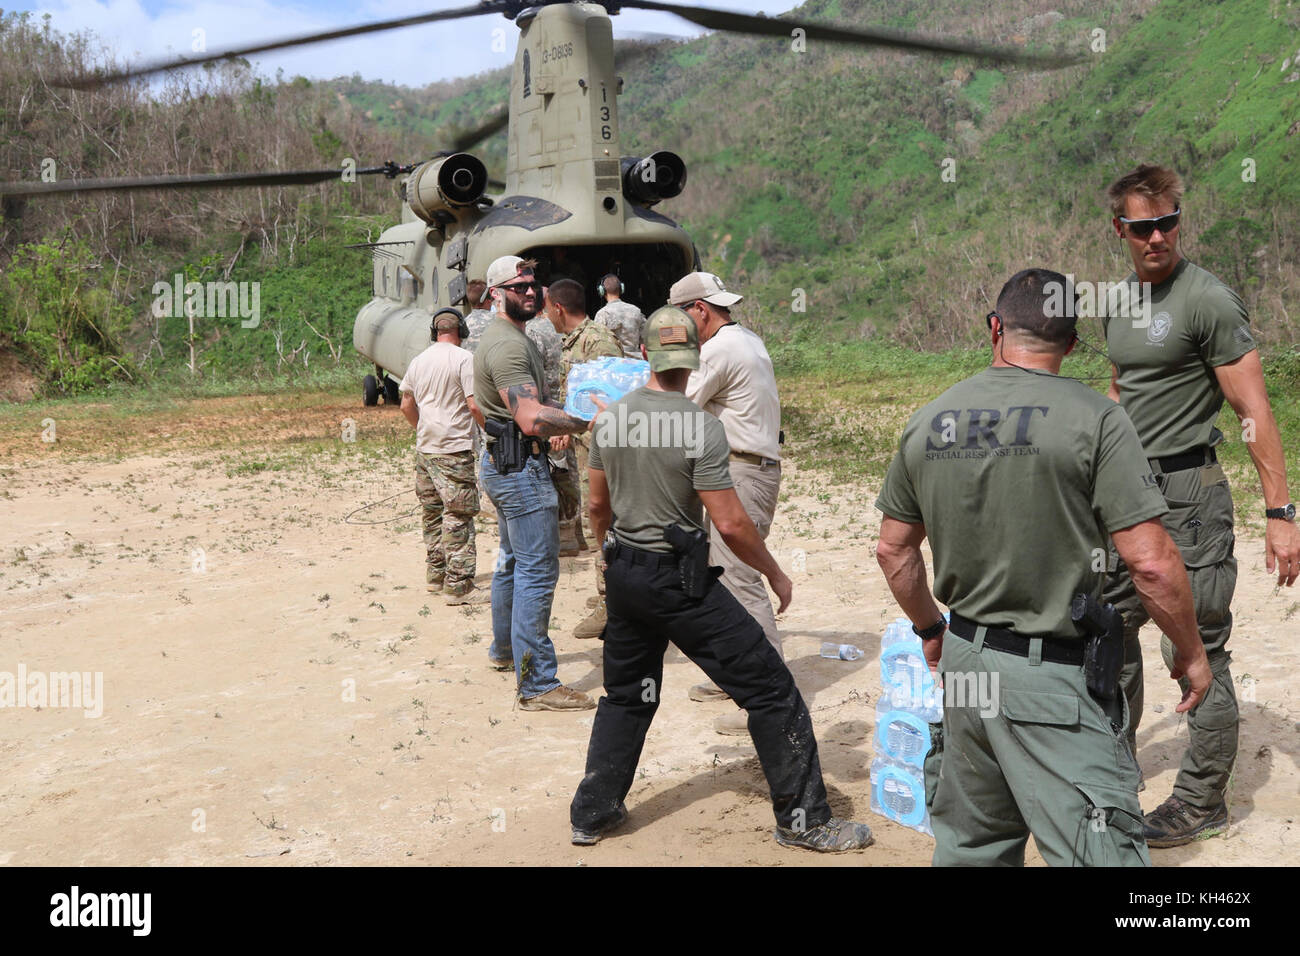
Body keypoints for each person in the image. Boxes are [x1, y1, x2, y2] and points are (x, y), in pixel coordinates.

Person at [874, 268, 1212, 866]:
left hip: (966, 662)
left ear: (995, 329)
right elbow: (1151, 564)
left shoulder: (930, 418)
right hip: (1052, 677)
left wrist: (932, 630)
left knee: (973, 848)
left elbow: (894, 549)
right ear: (1073, 344)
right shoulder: (1098, 418)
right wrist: (1190, 653)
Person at [569, 306, 874, 853]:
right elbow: (730, 523)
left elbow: (596, 504)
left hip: (626, 575)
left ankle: (593, 812)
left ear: (645, 356)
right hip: (678, 581)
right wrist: (776, 574)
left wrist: (607, 555)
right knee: (773, 692)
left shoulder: (611, 419)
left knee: (626, 696)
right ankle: (803, 822)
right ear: (691, 360)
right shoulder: (700, 427)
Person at [1100, 164, 1299, 847]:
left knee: (1196, 645)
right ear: (1119, 229)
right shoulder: (1119, 301)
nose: (1157, 236)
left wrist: (1281, 514)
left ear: (1179, 220)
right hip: (1124, 492)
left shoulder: (1208, 300)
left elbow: (1254, 408)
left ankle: (1201, 801)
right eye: (1142, 226)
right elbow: (1124, 392)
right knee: (1111, 633)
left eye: (1168, 222)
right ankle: (1113, 778)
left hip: (1189, 494)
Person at [474, 255, 597, 712]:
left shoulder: (510, 337)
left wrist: (560, 414)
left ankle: (506, 651)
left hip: (505, 464)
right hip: (520, 470)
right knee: (537, 573)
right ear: (495, 294)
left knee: (511, 564)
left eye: (531, 284)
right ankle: (538, 683)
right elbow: (528, 418)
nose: (528, 291)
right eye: (517, 286)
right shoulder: (507, 345)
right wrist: (585, 419)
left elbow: (520, 409)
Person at [668, 271, 783, 736]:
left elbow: (675, 403)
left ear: (699, 310)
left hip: (741, 472)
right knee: (721, 575)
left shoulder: (717, 350)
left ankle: (768, 695)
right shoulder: (745, 339)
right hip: (746, 467)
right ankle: (736, 673)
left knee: (739, 577)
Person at [544, 278, 624, 638]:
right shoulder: (575, 342)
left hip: (603, 450)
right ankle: (612, 594)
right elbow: (580, 397)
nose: (545, 314)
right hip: (587, 446)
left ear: (558, 308)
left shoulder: (598, 341)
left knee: (604, 524)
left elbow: (615, 397)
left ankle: (613, 604)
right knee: (597, 524)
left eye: (547, 307)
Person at [399, 308, 487, 605]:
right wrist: (493, 433)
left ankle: (436, 576)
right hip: (455, 448)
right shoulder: (465, 360)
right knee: (459, 516)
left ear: (433, 331)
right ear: (462, 330)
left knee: (432, 512)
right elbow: (474, 406)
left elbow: (406, 404)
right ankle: (459, 584)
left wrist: (423, 428)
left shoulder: (419, 360)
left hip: (426, 449)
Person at [593, 273, 645, 357]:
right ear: (621, 289)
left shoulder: (602, 314)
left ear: (602, 291)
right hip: (636, 363)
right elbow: (646, 339)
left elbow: (596, 345)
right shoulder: (636, 310)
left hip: (613, 364)